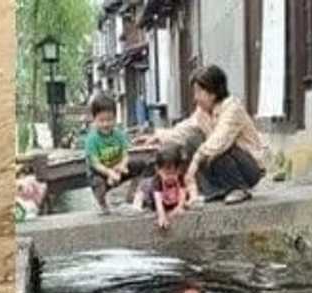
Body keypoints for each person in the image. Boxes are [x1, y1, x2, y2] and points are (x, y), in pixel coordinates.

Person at [137, 65, 267, 206]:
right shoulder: (203, 111)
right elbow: (186, 128)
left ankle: (239, 188)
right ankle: (215, 191)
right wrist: (158, 136)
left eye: (199, 92)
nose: (195, 98)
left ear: (213, 93)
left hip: (249, 168)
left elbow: (219, 140)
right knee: (192, 139)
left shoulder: (233, 108)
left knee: (215, 148)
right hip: (226, 160)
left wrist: (195, 162)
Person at [83, 92, 148, 214]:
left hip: (117, 167)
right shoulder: (92, 139)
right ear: (94, 119)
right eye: (101, 120)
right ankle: (102, 203)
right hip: (100, 171)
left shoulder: (118, 134)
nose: (106, 124)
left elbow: (125, 154)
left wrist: (122, 165)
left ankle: (132, 195)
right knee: (97, 182)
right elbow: (95, 163)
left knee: (141, 165)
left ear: (115, 118)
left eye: (109, 120)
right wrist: (109, 173)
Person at [132, 143, 187, 230]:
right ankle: (136, 204)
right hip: (147, 192)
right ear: (158, 170)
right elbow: (158, 201)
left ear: (179, 170)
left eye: (173, 173)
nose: (170, 177)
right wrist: (162, 216)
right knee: (140, 196)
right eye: (167, 174)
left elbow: (182, 193)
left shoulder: (180, 178)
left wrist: (179, 207)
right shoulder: (157, 182)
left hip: (168, 195)